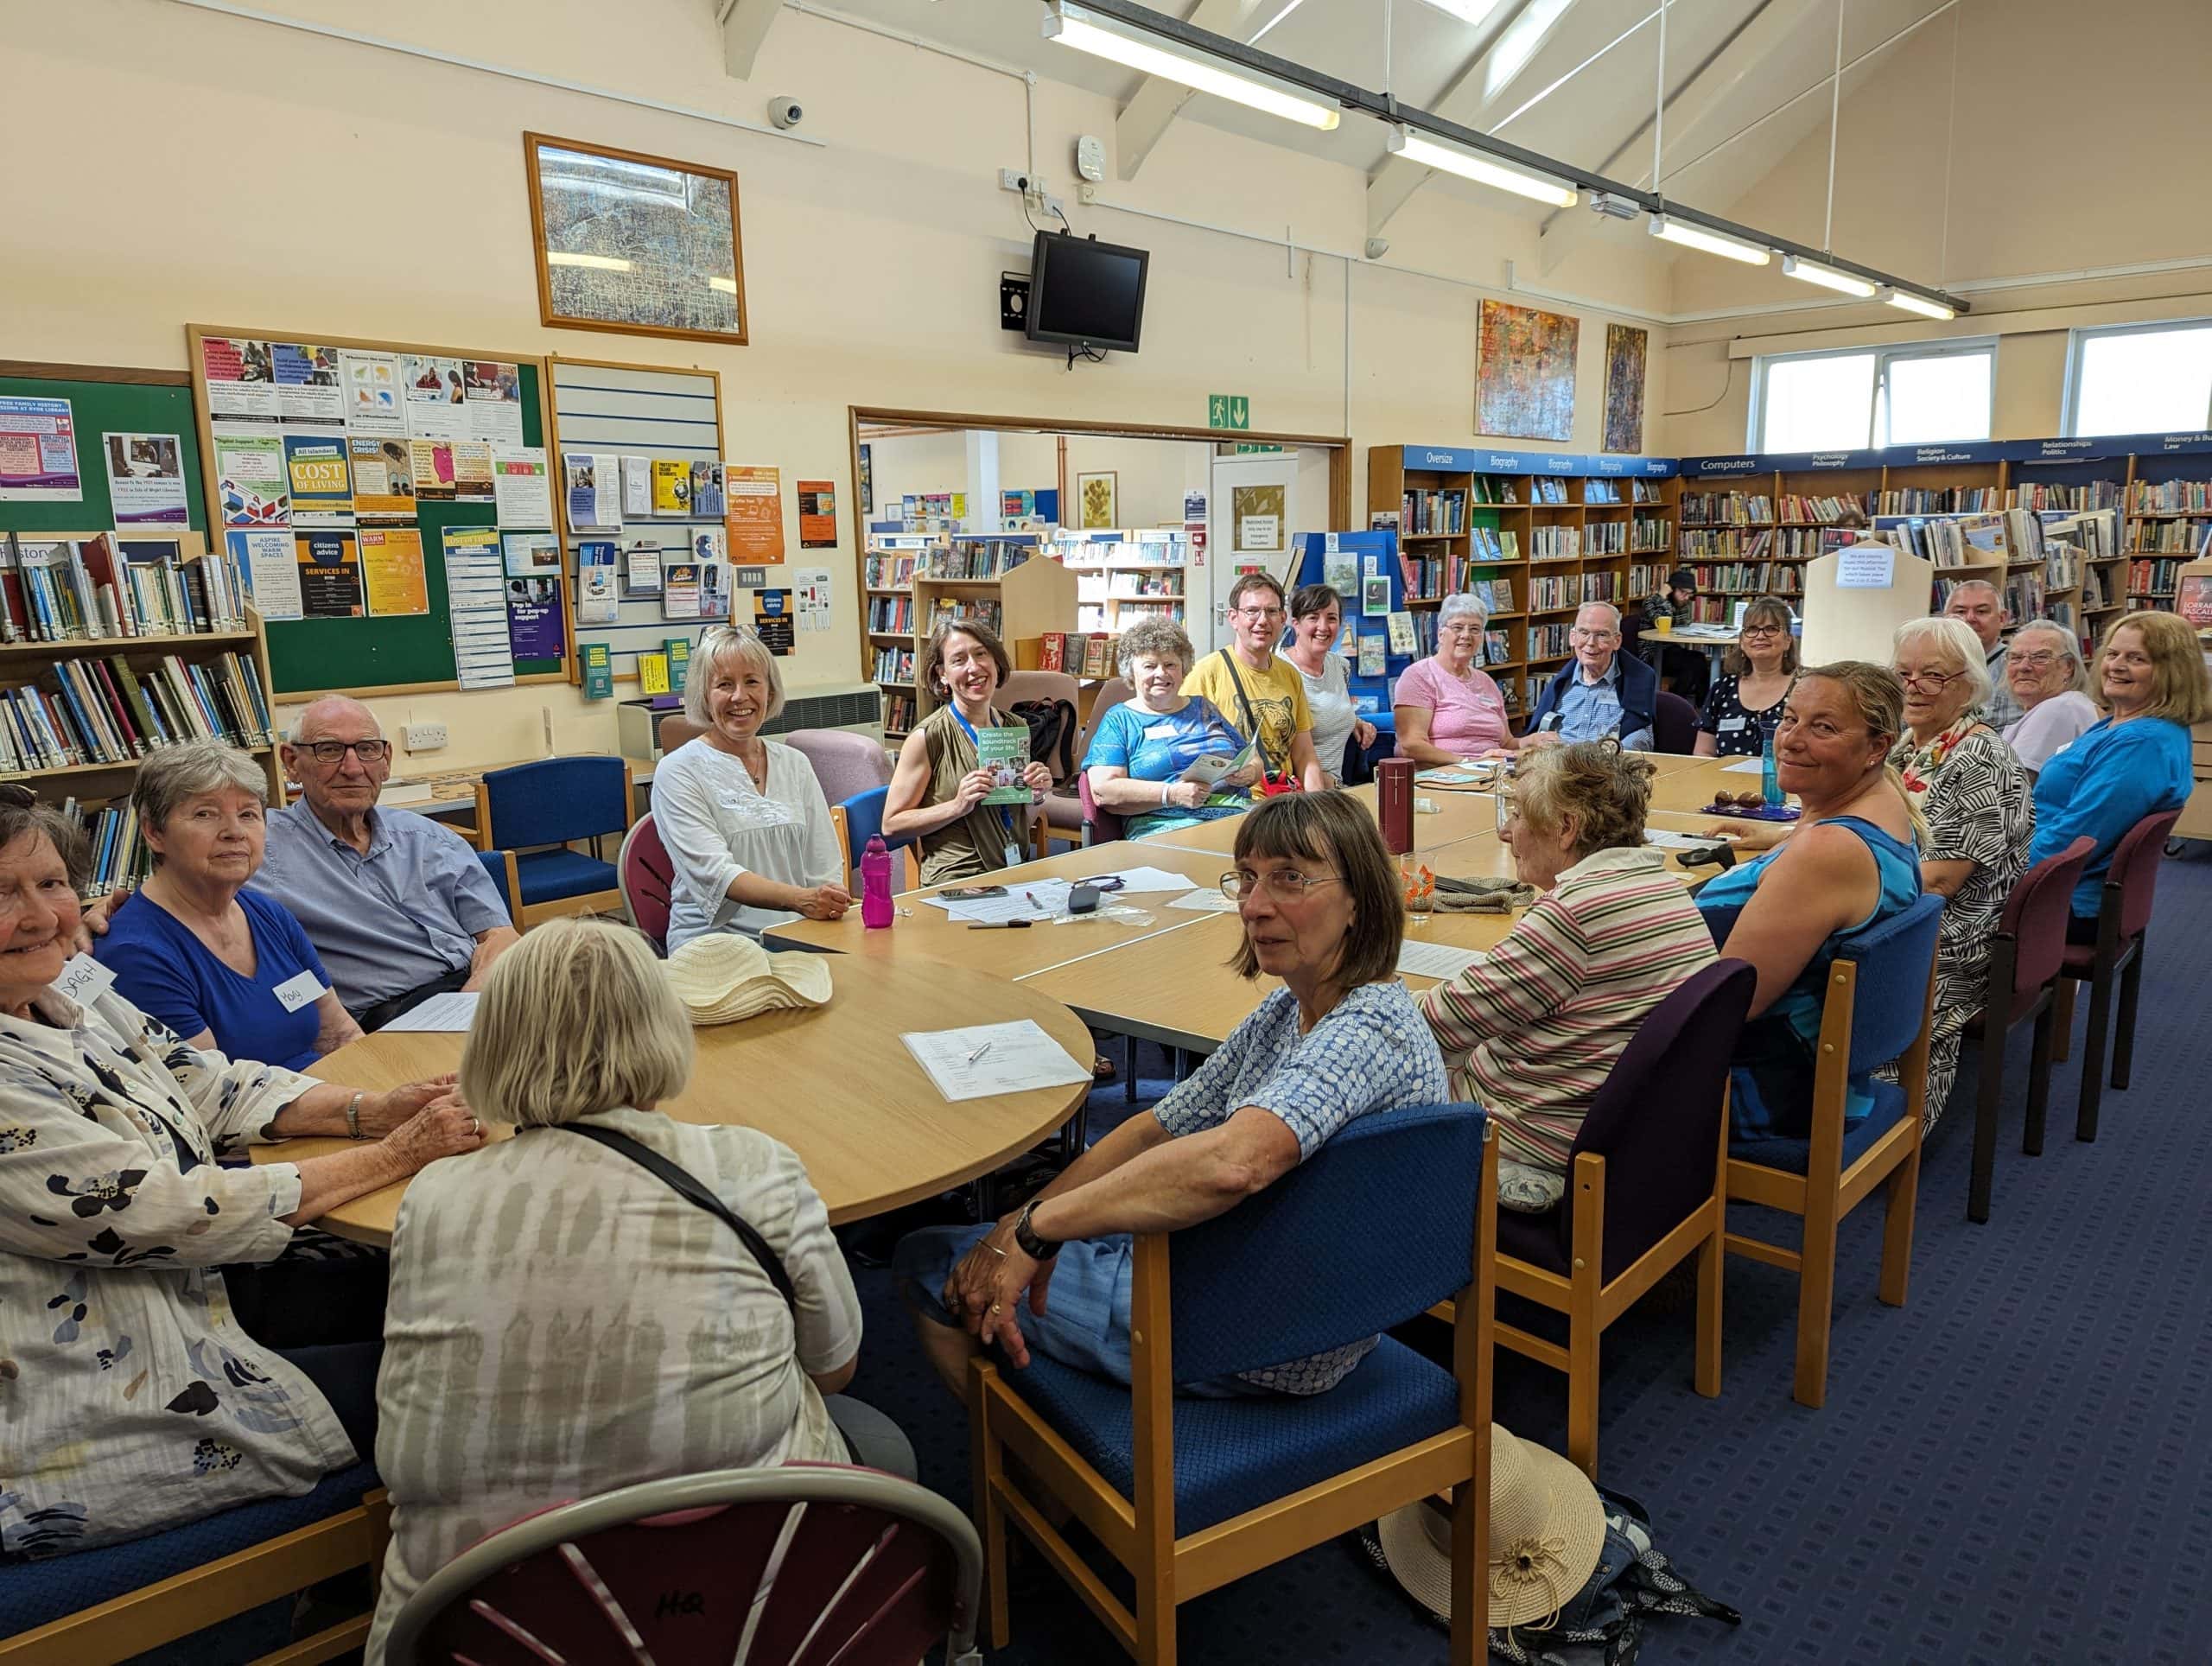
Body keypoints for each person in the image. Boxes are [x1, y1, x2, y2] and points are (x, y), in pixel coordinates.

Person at [365, 919, 906, 1658]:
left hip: (483, 1626)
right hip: (753, 1616)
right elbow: (836, 1367)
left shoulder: (431, 1200)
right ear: (666, 1026)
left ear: (489, 1040)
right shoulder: (754, 1168)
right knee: (883, 1444)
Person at [0, 786, 482, 1558]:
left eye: (51, 883)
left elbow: (203, 1076)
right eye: (3, 893)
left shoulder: (62, 995)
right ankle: (436, 1582)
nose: (41, 915)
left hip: (203, 1295)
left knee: (458, 1292)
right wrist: (395, 1153)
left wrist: (372, 1109)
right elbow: (161, 1210)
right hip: (105, 1389)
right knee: (465, 1374)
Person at [897, 792, 1446, 1399]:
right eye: (1246, 880)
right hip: (1285, 1291)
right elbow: (1155, 1128)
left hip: (1252, 1337)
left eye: (1290, 879)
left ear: (1359, 901)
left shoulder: (1364, 1036)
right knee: (1024, 1231)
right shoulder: (1296, 1008)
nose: (1255, 907)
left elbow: (1232, 1163)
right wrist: (1023, 1219)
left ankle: (1036, 1462)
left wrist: (1034, 1231)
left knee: (927, 1258)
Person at [1417, 743, 1714, 1210]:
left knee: (1354, 1058)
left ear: (1566, 827)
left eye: (1517, 814)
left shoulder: (1573, 914)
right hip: (1641, 1134)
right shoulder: (1664, 888)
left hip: (1537, 1135)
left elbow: (1433, 1025)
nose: (1504, 831)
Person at [1694, 664, 1924, 1140]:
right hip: (1805, 1069)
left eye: (1823, 727)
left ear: (1877, 748)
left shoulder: (1829, 851)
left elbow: (1727, 1006)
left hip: (1753, 1087)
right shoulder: (1875, 808)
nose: (1791, 740)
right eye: (1789, 718)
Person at [93, 741, 359, 1071]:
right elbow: (219, 1098)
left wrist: (385, 1090)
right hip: (261, 1117)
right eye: (205, 814)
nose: (235, 832)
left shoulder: (269, 914)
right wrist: (362, 1108)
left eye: (248, 814)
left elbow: (338, 1033)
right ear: (153, 832)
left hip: (333, 1096)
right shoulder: (136, 953)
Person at [1888, 618, 2033, 1127]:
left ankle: (1889, 1126)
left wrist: (1836, 886)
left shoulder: (1978, 760)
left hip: (1950, 939)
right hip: (1911, 909)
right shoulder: (1912, 744)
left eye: (1933, 675)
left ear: (1970, 684)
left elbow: (1942, 880)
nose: (1913, 685)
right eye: (1904, 673)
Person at [652, 625, 848, 949]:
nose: (739, 696)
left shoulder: (795, 763)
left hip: (799, 935)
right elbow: (717, 874)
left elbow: (824, 864)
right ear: (704, 695)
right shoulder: (678, 771)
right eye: (724, 684)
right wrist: (801, 900)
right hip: (716, 944)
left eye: (752, 681)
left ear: (770, 692)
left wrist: (825, 906)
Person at [2026, 612, 2207, 937]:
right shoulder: (2123, 723)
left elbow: (2074, 840)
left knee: (1929, 904)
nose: (2116, 666)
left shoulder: (2141, 743)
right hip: (2058, 882)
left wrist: (1994, 869)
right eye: (2112, 654)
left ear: (2172, 671)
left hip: (2062, 899)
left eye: (2136, 658)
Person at [883, 618, 1054, 887]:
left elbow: (1017, 817)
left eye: (980, 654)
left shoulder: (1014, 726)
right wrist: (957, 805)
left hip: (1014, 871)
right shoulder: (929, 737)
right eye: (959, 660)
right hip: (959, 879)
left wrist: (1035, 795)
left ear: (995, 662)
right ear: (942, 674)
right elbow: (891, 825)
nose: (974, 667)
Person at [1083, 615, 1259, 840]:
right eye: (1149, 666)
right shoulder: (1120, 720)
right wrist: (1171, 794)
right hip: (1167, 824)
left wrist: (1249, 772)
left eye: (1170, 665)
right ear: (1131, 672)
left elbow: (1253, 759)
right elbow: (1103, 791)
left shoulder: (1204, 707)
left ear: (1183, 669)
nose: (1161, 673)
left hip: (1237, 815)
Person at [1179, 573, 1330, 792]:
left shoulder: (1290, 675)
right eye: (1252, 611)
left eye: (1271, 611)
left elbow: (1304, 754)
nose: (1262, 621)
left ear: (1282, 618)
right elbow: (1183, 750)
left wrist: (1317, 807)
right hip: (1232, 804)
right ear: (1233, 618)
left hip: (1283, 803)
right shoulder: (1206, 674)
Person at [1392, 594, 1517, 766]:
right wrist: (1469, 762)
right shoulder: (1418, 676)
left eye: (1475, 629)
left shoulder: (1486, 681)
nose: (1466, 635)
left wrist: (1532, 742)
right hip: (1444, 775)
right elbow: (1410, 746)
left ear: (1481, 638)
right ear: (1440, 634)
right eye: (1458, 627)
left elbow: (1507, 743)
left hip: (1493, 770)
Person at [1528, 603, 1657, 751]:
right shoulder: (1561, 683)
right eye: (1584, 633)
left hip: (1607, 764)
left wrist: (1614, 756)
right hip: (1558, 763)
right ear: (1572, 637)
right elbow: (1539, 733)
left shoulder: (1638, 679)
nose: (1590, 643)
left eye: (1601, 635)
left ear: (1617, 641)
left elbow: (1641, 735)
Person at [1281, 583, 1376, 785]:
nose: (1323, 627)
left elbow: (1328, 709)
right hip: (1303, 791)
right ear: (1295, 623)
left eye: (1331, 618)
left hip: (1337, 786)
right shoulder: (1281, 671)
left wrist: (1355, 722)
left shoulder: (1340, 666)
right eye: (1313, 617)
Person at [1694, 595, 1797, 758]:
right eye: (1752, 629)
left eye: (1771, 629)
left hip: (1782, 782)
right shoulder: (1723, 687)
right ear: (1742, 642)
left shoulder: (1803, 690)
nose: (1760, 636)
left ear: (1787, 641)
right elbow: (1703, 751)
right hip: (1724, 781)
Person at [2001, 620, 2100, 779]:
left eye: (2040, 657)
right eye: (2016, 658)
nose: (2023, 666)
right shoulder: (2072, 703)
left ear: (2068, 667)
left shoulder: (2058, 708)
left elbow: (2011, 786)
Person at [1943, 581, 2023, 728]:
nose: (1970, 618)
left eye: (1981, 612)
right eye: (1960, 612)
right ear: (1945, 619)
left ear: (2002, 619)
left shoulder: (2019, 669)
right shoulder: (1929, 665)